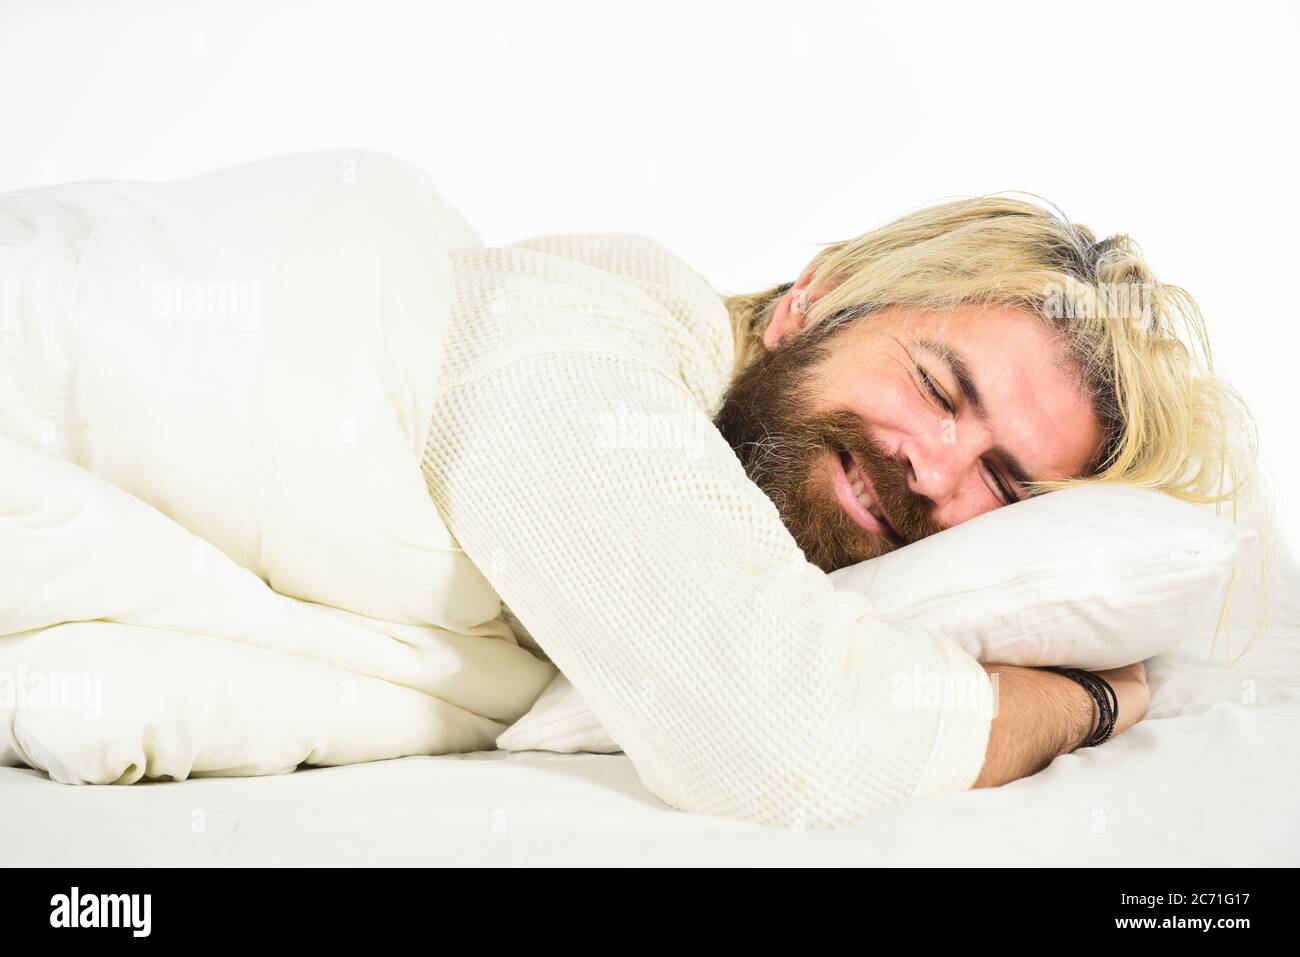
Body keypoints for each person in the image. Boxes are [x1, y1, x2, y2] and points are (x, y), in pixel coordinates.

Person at [423, 196, 1254, 829]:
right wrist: (1093, 703)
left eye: (1000, 483)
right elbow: (776, 730)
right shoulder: (582, 329)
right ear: (813, 303)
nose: (932, 468)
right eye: (934, 386)